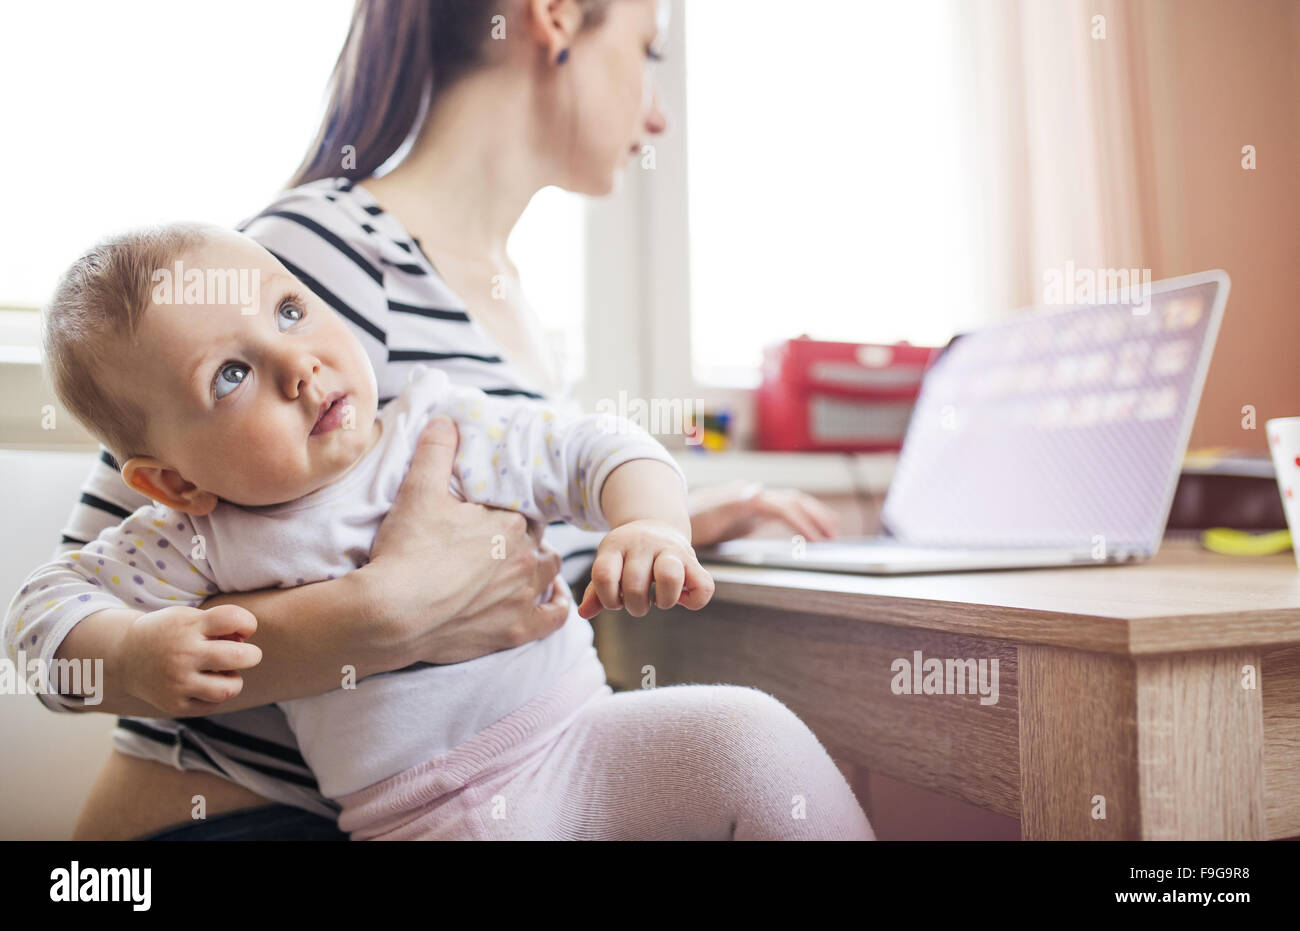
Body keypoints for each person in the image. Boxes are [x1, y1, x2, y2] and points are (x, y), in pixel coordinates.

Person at [51, 0, 840, 840]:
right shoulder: (330, 249)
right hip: (242, 822)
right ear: (556, 18)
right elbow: (75, 654)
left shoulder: (515, 309)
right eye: (648, 50)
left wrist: (646, 516)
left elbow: (478, 549)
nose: (659, 109)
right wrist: (383, 614)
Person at [15, 222, 872, 838]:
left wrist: (649, 520)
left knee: (751, 737)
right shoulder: (194, 538)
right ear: (173, 479)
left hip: (582, 740)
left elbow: (592, 448)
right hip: (414, 816)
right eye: (231, 375)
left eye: (288, 311)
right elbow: (38, 618)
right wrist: (129, 650)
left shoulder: (442, 424)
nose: (297, 365)